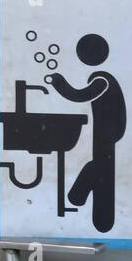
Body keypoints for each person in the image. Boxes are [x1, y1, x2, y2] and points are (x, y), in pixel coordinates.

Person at [46, 33, 125, 232]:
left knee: (100, 168)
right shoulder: (105, 78)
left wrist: (58, 82)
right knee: (100, 168)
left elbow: (80, 95)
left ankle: (77, 198)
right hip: (105, 134)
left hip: (107, 134)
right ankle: (79, 199)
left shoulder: (102, 79)